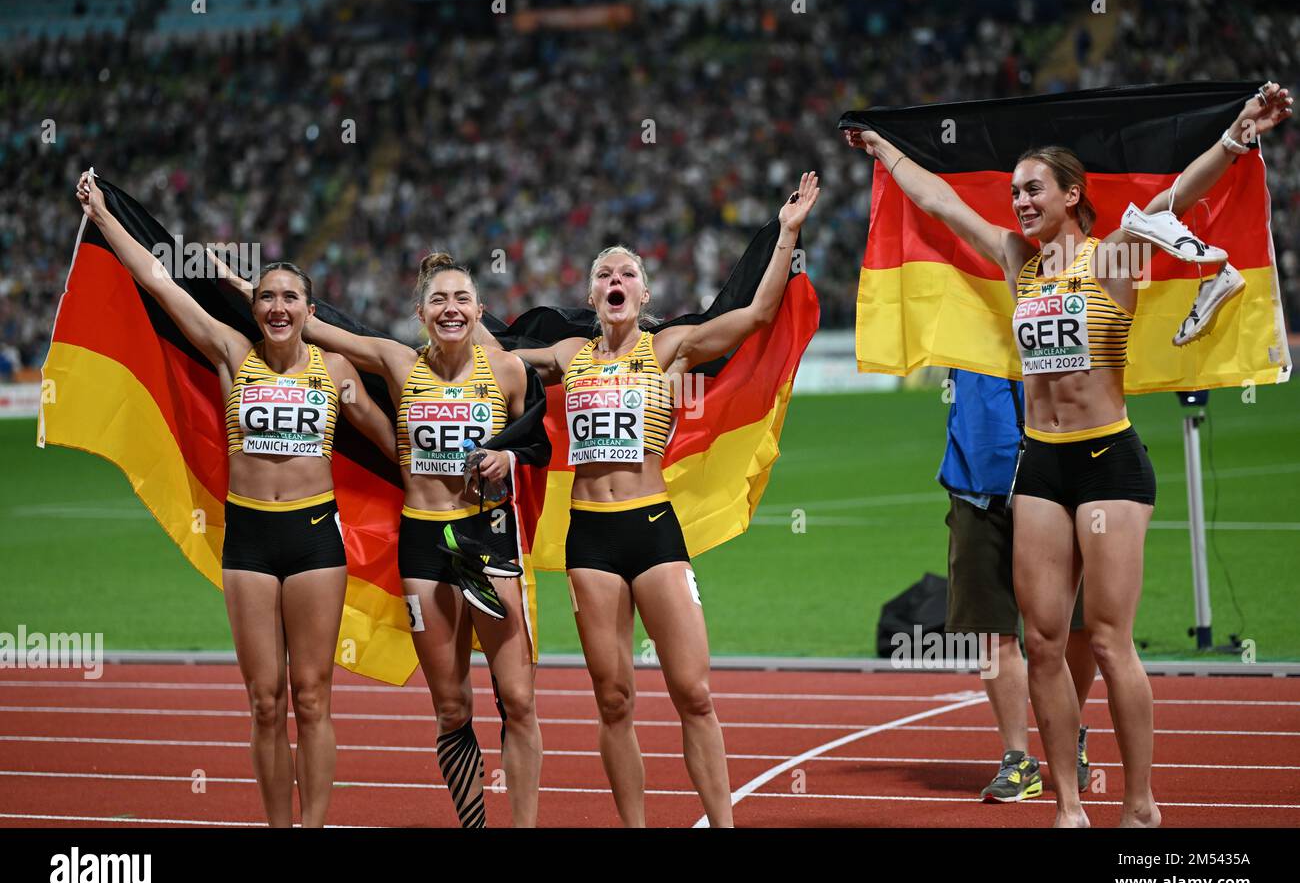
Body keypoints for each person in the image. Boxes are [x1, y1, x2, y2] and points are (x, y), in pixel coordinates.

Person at [847, 82, 1292, 827]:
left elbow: (1182, 191)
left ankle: (1141, 804)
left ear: (1070, 194)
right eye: (1015, 191)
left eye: (1031, 190)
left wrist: (1242, 132)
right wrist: (885, 148)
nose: (1018, 202)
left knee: (1111, 643)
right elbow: (941, 206)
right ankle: (1066, 806)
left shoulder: (1116, 254)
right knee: (1045, 644)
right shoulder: (1017, 262)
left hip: (1107, 461)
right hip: (1041, 467)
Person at [480, 173, 820, 826]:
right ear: (591, 295)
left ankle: (722, 824)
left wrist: (787, 232)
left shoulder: (671, 349)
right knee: (613, 700)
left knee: (693, 691)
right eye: (605, 271)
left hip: (655, 531)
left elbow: (755, 316)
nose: (617, 277)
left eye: (628, 272)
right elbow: (499, 358)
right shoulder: (568, 355)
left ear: (643, 293)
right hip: (591, 541)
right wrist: (458, 309)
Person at [76, 170, 397, 827]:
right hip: (249, 539)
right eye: (268, 298)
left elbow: (393, 443)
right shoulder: (230, 351)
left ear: (310, 310)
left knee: (313, 697)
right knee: (264, 700)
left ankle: (313, 825)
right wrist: (106, 218)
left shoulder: (336, 372)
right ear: (254, 307)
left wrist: (442, 476)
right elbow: (160, 283)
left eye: (291, 298)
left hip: (315, 538)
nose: (278, 308)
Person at [226, 251, 544, 828]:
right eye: (439, 300)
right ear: (420, 312)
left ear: (480, 309)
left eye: (462, 299)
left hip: (488, 538)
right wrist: (236, 282)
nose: (451, 309)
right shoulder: (397, 361)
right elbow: (310, 323)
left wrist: (507, 455)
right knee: (451, 707)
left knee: (518, 699)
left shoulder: (508, 371)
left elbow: (536, 443)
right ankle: (473, 824)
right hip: (424, 544)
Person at [939, 369, 1096, 802]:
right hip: (977, 488)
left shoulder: (1055, 304)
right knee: (991, 628)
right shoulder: (960, 315)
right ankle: (1017, 758)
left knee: (1077, 626)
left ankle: (1070, 733)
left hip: (1057, 487)